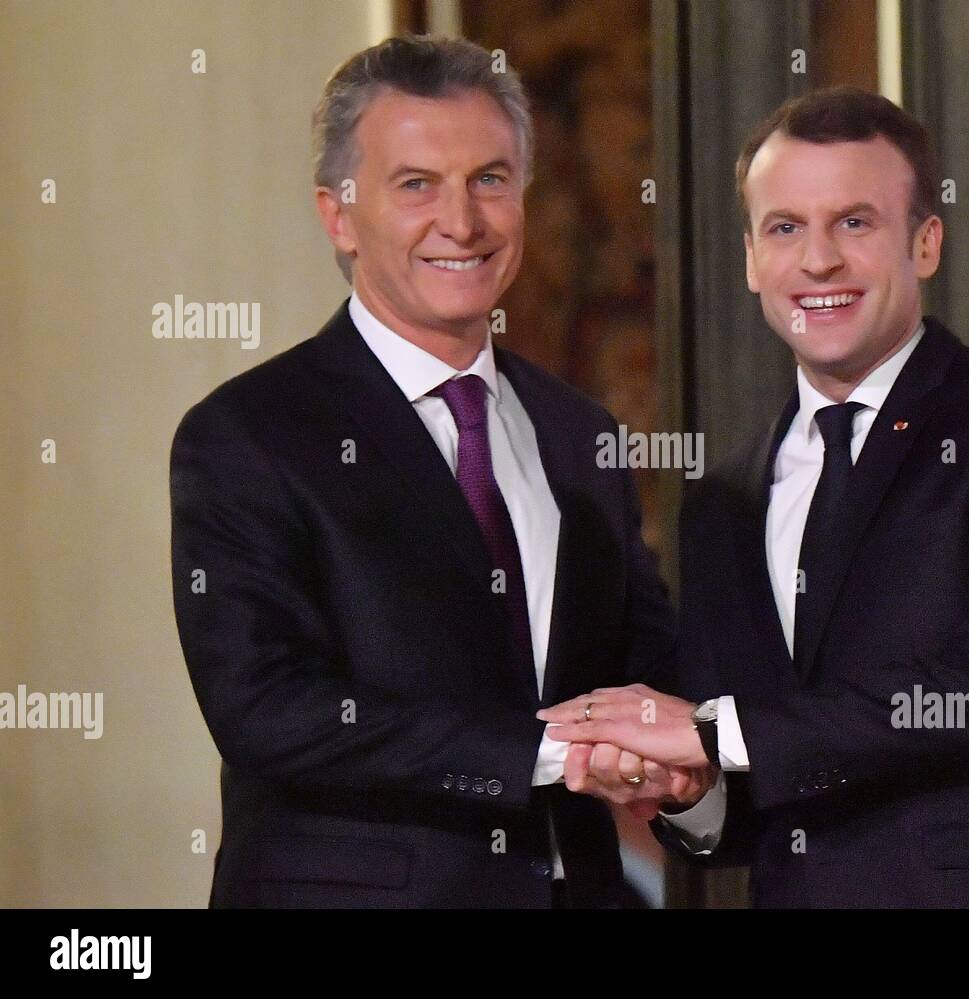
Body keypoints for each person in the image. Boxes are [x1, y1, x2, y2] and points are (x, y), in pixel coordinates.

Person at [542, 87, 969, 908]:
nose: (818, 260)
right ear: (752, 258)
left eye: (855, 222)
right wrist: (688, 783)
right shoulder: (723, 502)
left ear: (925, 243)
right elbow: (753, 799)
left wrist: (713, 730)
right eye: (786, 228)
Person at [169, 35, 681, 909]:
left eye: (490, 178)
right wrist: (546, 753)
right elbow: (269, 709)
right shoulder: (248, 434)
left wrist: (684, 759)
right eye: (417, 185)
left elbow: (645, 665)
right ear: (339, 215)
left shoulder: (577, 432)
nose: (463, 221)